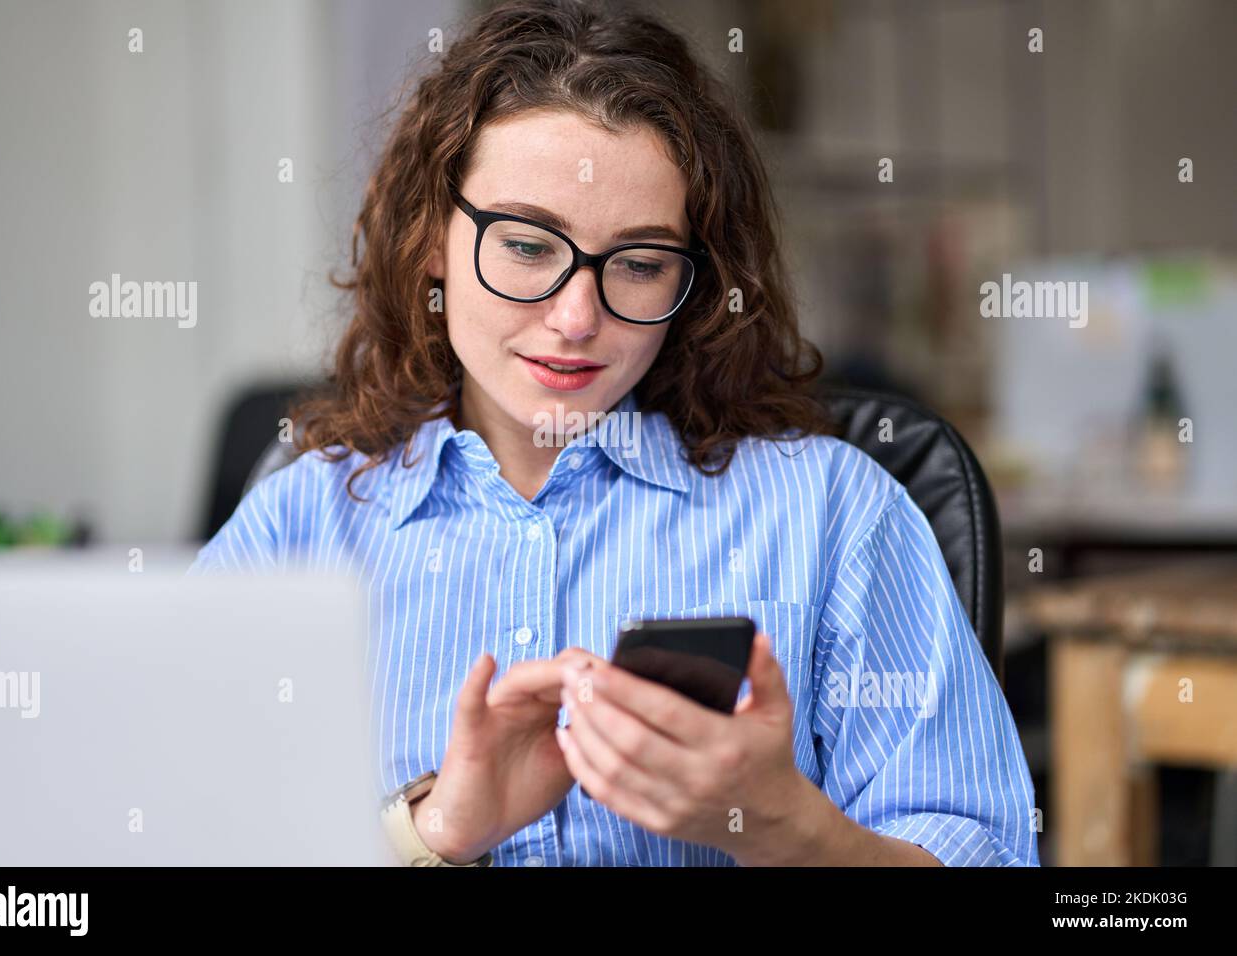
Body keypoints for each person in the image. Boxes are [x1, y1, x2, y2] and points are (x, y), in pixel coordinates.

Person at [191, 0, 1038, 867]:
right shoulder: (295, 527)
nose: (575, 317)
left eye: (638, 264)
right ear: (432, 239)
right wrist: (432, 832)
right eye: (525, 246)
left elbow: (990, 856)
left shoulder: (832, 513)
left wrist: (789, 826)